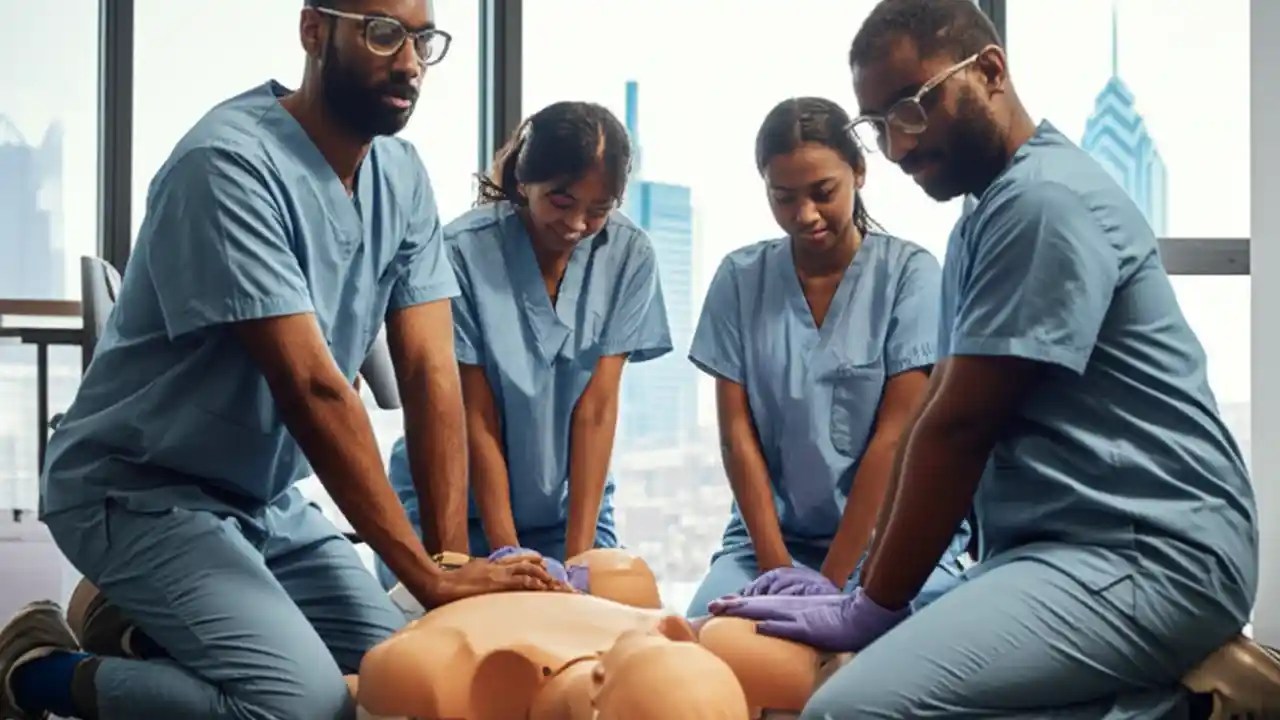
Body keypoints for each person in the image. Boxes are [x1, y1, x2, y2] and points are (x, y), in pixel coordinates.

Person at [0, 2, 559, 719]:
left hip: (265, 503)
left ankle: (141, 630)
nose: (410, 63)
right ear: (314, 30)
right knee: (303, 709)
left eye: (423, 41)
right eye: (383, 33)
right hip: (141, 492)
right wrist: (423, 577)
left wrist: (446, 569)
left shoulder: (401, 175)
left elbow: (429, 372)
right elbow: (314, 390)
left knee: (402, 675)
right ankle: (36, 669)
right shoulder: (226, 165)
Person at [712, 1, 1259, 717]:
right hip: (1057, 551)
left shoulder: (1042, 205)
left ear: (991, 71)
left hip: (1146, 553)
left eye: (912, 109)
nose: (898, 146)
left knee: (846, 710)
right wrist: (862, 590)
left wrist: (869, 605)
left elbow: (956, 431)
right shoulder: (983, 218)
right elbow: (931, 422)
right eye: (879, 125)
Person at [683, 97, 970, 618]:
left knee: (904, 641)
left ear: (859, 172)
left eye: (823, 192)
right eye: (784, 197)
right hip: (769, 543)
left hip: (893, 537)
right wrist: (778, 575)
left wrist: (828, 591)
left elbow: (894, 439)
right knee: (708, 634)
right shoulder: (739, 279)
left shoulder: (910, 276)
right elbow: (736, 437)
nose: (805, 215)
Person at [373, 100, 672, 590]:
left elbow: (596, 410)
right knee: (465, 628)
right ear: (523, 182)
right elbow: (476, 416)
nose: (577, 224)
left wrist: (578, 559)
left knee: (600, 612)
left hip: (568, 513)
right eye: (561, 201)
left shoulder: (629, 254)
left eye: (599, 210)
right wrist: (509, 554)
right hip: (455, 510)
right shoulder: (461, 252)